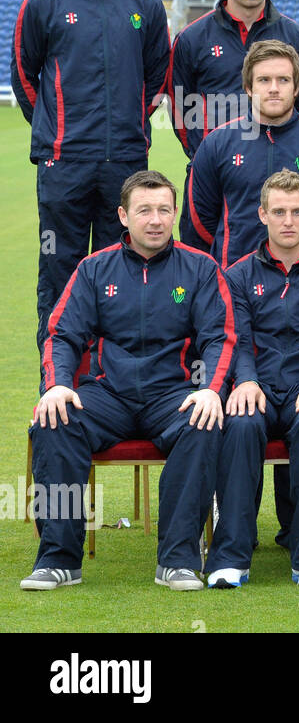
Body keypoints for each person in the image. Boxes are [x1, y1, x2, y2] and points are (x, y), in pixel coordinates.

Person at [22, 171, 234, 591]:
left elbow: (221, 337)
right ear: (123, 215)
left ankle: (177, 560)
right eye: (144, 211)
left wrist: (211, 391)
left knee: (205, 422)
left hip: (172, 393)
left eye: (163, 210)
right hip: (108, 394)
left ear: (174, 214)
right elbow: (61, 334)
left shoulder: (200, 268)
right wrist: (59, 384)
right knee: (54, 420)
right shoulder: (94, 269)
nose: (155, 220)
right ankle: (59, 559)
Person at [12, 0, 170, 355]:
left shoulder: (143, 1)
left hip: (124, 163)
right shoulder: (44, 0)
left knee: (122, 269)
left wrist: (129, 125)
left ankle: (110, 376)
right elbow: (25, 74)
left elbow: (157, 75)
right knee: (59, 269)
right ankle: (56, 377)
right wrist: (55, 130)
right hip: (63, 163)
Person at [210, 171, 299, 588]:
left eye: (297, 212)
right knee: (240, 424)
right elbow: (236, 337)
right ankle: (231, 554)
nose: (289, 220)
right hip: (259, 387)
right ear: (262, 214)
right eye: (279, 212)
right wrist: (246, 381)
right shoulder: (236, 275)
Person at [183, 39, 299, 269]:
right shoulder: (217, 144)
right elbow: (199, 222)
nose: (273, 88)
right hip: (235, 283)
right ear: (249, 87)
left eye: (283, 80)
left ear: (297, 87)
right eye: (264, 80)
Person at [168, 0, 299, 160]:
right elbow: (180, 104)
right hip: (214, 165)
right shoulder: (192, 38)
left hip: (278, 166)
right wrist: (202, 153)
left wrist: (287, 147)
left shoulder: (296, 37)